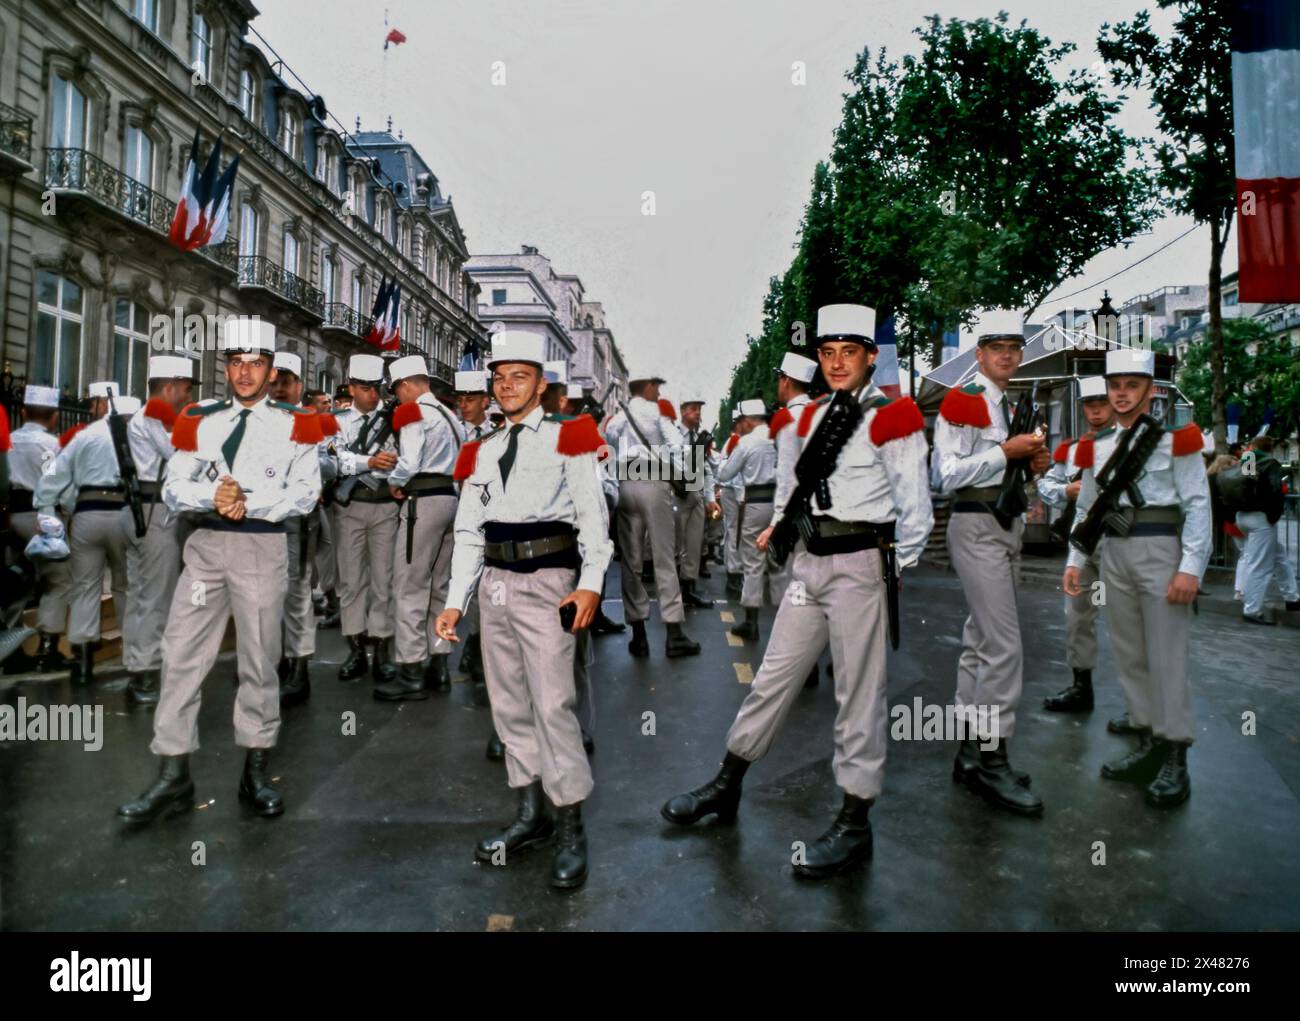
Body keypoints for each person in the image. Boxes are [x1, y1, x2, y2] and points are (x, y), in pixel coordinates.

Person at [661, 303, 932, 878]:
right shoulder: (802, 421)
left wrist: (891, 569)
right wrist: (778, 529)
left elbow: (917, 512)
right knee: (773, 678)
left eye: (849, 353)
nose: (837, 363)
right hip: (810, 566)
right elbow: (790, 491)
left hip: (862, 565)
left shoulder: (895, 416)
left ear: (869, 358)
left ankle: (855, 822)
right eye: (828, 354)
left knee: (858, 695)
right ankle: (728, 783)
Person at [117, 318, 323, 823]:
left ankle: (255, 771)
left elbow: (305, 491)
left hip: (261, 547)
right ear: (225, 367)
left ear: (271, 370)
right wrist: (214, 496)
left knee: (258, 660)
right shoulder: (199, 417)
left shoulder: (298, 422)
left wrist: (246, 502)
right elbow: (172, 485)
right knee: (181, 654)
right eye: (236, 363)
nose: (245, 373)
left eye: (255, 364)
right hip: (205, 547)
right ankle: (173, 775)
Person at [433, 331, 613, 890]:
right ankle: (530, 814)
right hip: (496, 584)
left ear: (542, 384)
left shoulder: (571, 436)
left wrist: (590, 585)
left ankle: (571, 826)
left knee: (553, 703)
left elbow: (593, 519)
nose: (507, 387)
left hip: (549, 582)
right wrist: (454, 601)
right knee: (508, 705)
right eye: (500, 377)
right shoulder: (481, 449)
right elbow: (468, 531)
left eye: (520, 377)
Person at [1063, 348, 1210, 808]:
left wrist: (1191, 567)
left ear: (1150, 391)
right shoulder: (1097, 446)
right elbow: (1087, 508)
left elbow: (1198, 504)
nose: (1122, 395)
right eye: (1115, 386)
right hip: (1114, 551)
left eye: (1131, 386)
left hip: (1161, 548)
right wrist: (1074, 559)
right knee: (1130, 653)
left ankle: (1176, 755)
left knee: (1167, 654)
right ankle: (1148, 742)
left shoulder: (1177, 439)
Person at [932, 309, 1051, 818]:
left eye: (1013, 349)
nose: (1006, 356)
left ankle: (968, 752)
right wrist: (1008, 452)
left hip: (1004, 524)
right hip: (977, 524)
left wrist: (1032, 464)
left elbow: (1009, 471)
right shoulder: (965, 402)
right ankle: (992, 759)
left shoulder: (1007, 405)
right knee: (1004, 645)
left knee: (981, 641)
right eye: (996, 348)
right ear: (978, 354)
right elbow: (948, 475)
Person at [34, 385, 140, 686]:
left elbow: (54, 476)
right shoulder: (135, 437)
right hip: (123, 513)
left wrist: (51, 506)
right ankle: (135, 659)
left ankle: (82, 663)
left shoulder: (84, 436)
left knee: (85, 588)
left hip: (86, 514)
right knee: (126, 587)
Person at [374, 354, 462, 700]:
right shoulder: (450, 415)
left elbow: (409, 462)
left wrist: (395, 481)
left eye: (397, 389)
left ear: (407, 384)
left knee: (409, 584)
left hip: (421, 502)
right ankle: (439, 664)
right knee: (440, 587)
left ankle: (411, 669)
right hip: (451, 500)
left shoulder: (412, 412)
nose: (398, 397)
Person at [603, 376, 701, 658]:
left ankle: (639, 634)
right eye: (656, 386)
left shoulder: (619, 418)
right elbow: (678, 445)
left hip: (626, 484)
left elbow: (607, 446)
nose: (659, 392)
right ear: (646, 388)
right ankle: (674, 633)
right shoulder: (656, 414)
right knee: (664, 558)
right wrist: (684, 478)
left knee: (631, 562)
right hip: (654, 483)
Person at [120, 356, 196, 707]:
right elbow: (177, 453)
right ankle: (146, 672)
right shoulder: (153, 414)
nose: (188, 394)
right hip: (154, 511)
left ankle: (137, 666)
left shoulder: (148, 416)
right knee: (156, 596)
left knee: (140, 594)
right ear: (169, 387)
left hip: (142, 510)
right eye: (185, 387)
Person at [1036, 375, 1113, 713]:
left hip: (1121, 541)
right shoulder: (1071, 448)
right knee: (1078, 617)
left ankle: (1141, 705)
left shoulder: (1133, 444)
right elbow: (1046, 484)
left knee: (1131, 620)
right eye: (1090, 405)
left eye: (1102, 403)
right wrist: (1064, 491)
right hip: (1084, 543)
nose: (1096, 411)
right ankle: (1082, 687)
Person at [328, 354, 400, 685]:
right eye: (367, 388)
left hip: (386, 505)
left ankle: (382, 647)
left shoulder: (394, 420)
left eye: (378, 388)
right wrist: (369, 461)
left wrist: (393, 463)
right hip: (350, 506)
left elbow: (409, 457)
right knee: (350, 580)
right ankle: (355, 646)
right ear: (353, 388)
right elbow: (332, 460)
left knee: (383, 579)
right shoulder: (337, 421)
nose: (374, 395)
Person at [4, 385, 73, 673]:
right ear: (55, 416)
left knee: (15, 582)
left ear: (23, 412)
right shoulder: (54, 446)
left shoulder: (8, 441)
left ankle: (10, 649)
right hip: (44, 517)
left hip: (13, 516)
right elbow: (62, 487)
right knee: (57, 581)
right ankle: (48, 646)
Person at [267, 351, 321, 706]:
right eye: (274, 382)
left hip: (295, 520)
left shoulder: (306, 421)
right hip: (260, 523)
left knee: (297, 594)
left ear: (299, 385)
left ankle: (299, 669)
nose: (279, 388)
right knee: (267, 595)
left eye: (286, 382)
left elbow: (320, 470)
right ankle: (278, 660)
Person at [717, 399, 777, 641]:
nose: (738, 426)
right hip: (780, 502)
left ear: (749, 420)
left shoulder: (747, 442)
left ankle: (751, 621)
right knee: (783, 565)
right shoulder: (778, 436)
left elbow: (725, 473)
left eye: (740, 422)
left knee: (753, 561)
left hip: (756, 503)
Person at [1236, 435, 1299, 624]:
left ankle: (1292, 597)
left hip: (1243, 515)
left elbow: (1246, 487)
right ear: (1270, 448)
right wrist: (1273, 516)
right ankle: (1252, 610)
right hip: (1261, 518)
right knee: (1260, 565)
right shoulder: (1271, 463)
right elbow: (1275, 491)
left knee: (1279, 557)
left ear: (1254, 445)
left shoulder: (1247, 458)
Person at [674, 398, 718, 609]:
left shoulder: (700, 437)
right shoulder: (672, 435)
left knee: (693, 544)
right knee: (675, 545)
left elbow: (707, 470)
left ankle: (689, 589)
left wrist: (710, 499)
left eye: (699, 409)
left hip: (696, 494)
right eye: (693, 409)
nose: (697, 413)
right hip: (677, 495)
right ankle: (673, 591)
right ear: (682, 411)